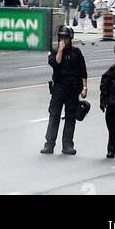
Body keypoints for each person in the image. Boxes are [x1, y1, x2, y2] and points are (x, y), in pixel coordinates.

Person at [41, 25, 87, 155]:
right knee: (54, 116)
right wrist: (60, 49)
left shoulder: (76, 52)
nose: (63, 40)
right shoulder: (54, 51)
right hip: (59, 89)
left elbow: (83, 70)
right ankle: (49, 145)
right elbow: (56, 63)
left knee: (70, 117)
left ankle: (67, 145)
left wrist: (84, 87)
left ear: (70, 38)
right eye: (61, 37)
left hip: (73, 89)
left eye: (66, 37)